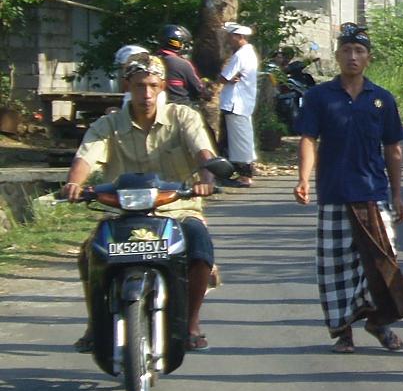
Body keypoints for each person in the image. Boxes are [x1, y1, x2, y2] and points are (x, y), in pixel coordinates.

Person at [63, 55, 221, 350]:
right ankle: (95, 323)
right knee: (89, 255)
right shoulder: (107, 124)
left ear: (162, 86)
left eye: (152, 85)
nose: (146, 94)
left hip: (177, 208)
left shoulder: (183, 117)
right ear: (127, 86)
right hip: (121, 210)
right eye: (139, 86)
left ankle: (191, 322)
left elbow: (203, 152)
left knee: (200, 251)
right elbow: (85, 156)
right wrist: (75, 183)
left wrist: (206, 178)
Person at [292, 23, 403, 353]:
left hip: (373, 193)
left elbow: (393, 149)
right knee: (336, 266)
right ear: (337, 56)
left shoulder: (381, 100)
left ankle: (378, 322)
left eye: (359, 51)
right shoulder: (318, 97)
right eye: (346, 50)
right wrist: (303, 178)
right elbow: (308, 139)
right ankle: (343, 329)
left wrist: (398, 194)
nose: (352, 56)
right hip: (334, 194)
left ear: (368, 58)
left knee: (383, 260)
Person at [217, 22, 259, 186]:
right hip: (242, 102)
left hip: (235, 103)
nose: (228, 40)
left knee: (238, 140)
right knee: (239, 138)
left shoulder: (240, 55)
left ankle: (245, 175)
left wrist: (226, 78)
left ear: (238, 37)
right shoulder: (249, 53)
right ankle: (235, 171)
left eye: (230, 37)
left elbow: (223, 77)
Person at [156, 25, 204, 108]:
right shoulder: (183, 64)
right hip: (181, 109)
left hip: (157, 109)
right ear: (177, 43)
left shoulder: (153, 60)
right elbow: (199, 89)